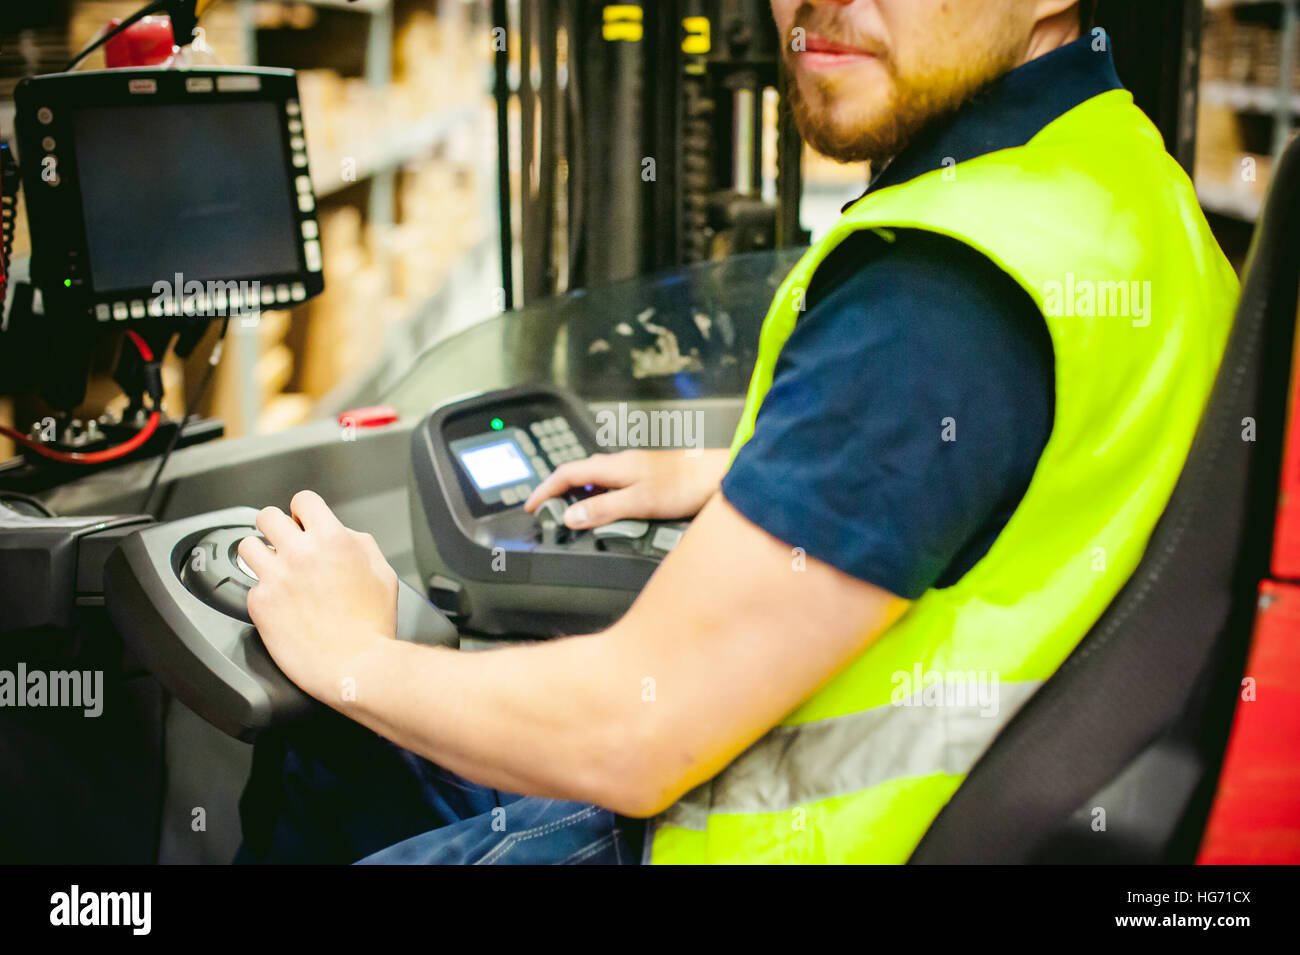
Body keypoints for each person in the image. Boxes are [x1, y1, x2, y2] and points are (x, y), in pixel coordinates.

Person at [235, 0, 1238, 864]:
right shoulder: (1121, 184)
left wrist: (348, 651)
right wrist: (774, 469)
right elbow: (1031, 468)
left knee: (334, 718)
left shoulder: (936, 295)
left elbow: (632, 732)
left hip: (756, 838)